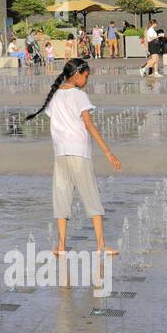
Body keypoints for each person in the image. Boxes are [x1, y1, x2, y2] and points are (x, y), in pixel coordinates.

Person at [27, 58, 122, 256]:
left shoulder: (55, 95)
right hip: (79, 152)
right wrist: (108, 151)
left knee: (61, 197)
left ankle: (61, 246)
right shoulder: (79, 96)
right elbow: (88, 124)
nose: (87, 80)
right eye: (86, 76)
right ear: (77, 74)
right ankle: (101, 246)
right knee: (91, 196)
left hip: (60, 153)